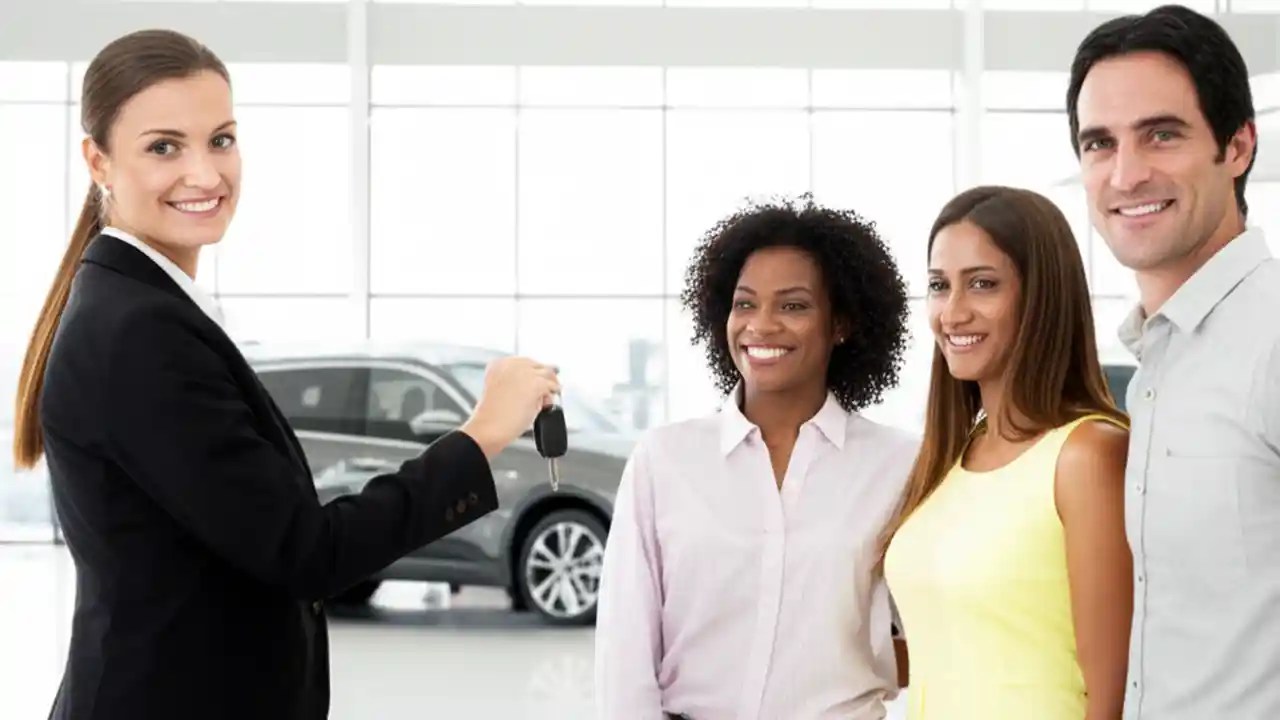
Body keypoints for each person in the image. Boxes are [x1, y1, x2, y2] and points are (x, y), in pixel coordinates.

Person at [10, 29, 559, 720]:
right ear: (98, 161)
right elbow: (308, 552)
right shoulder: (138, 332)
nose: (206, 174)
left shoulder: (140, 309)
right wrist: (481, 434)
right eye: (163, 147)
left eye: (222, 139)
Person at [594, 195, 917, 720]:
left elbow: (942, 621)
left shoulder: (900, 465)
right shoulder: (665, 460)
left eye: (793, 305)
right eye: (745, 303)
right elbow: (624, 649)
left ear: (842, 323)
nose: (760, 325)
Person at [1066, 5, 1280, 718]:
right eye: (1100, 144)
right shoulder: (1158, 364)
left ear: (1239, 146)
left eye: (1161, 134)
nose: (1126, 174)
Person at [881, 186, 1133, 720]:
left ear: (1041, 296)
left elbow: (1110, 698)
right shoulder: (952, 457)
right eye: (938, 286)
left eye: (982, 285)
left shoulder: (1087, 455)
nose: (953, 312)